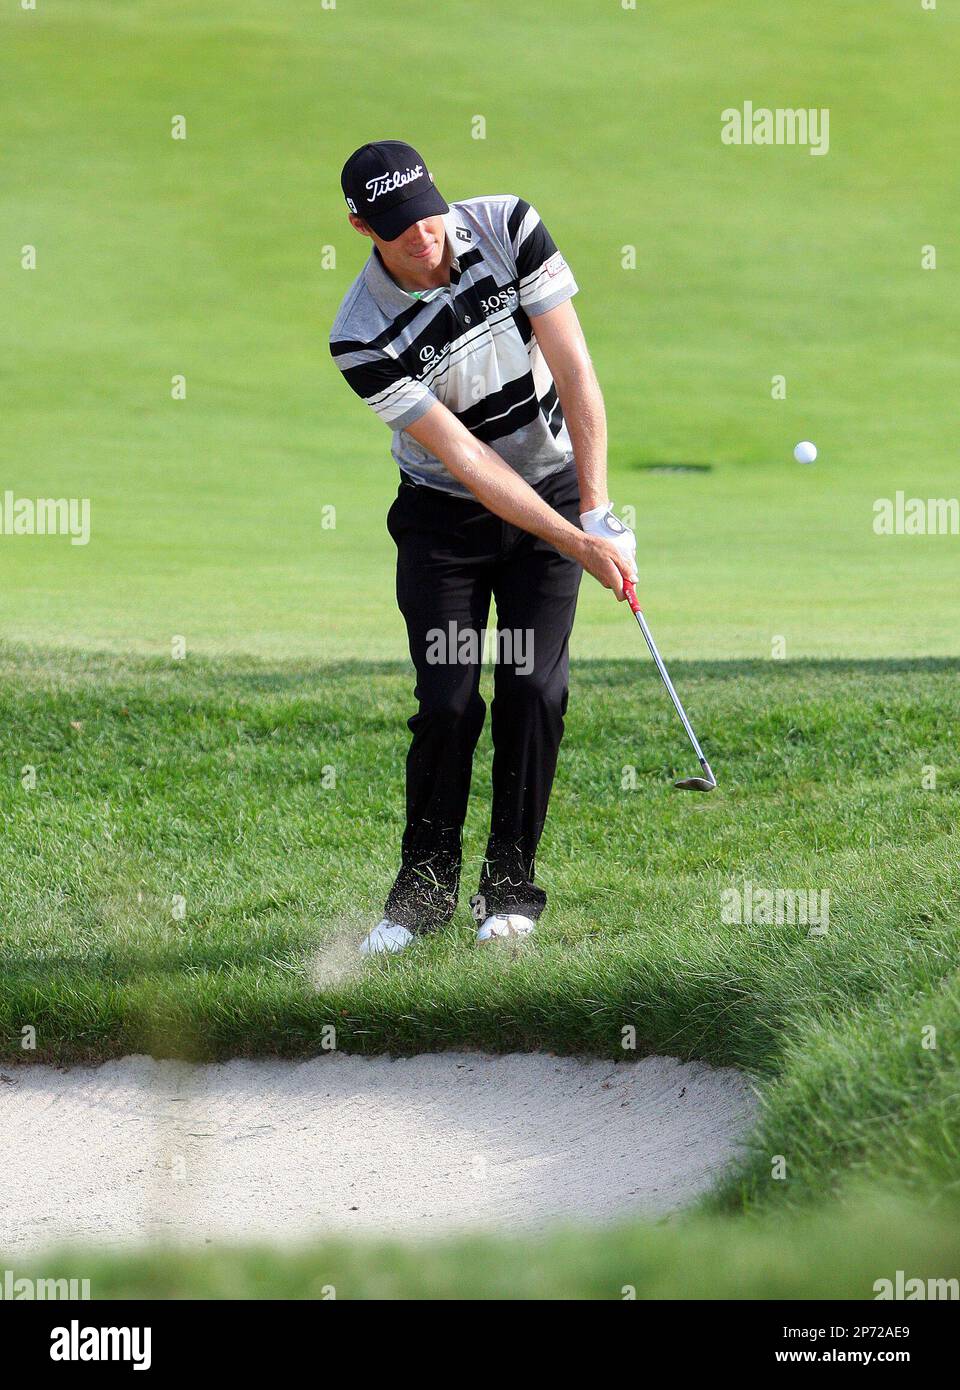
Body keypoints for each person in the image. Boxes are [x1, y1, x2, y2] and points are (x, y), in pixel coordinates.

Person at [329, 140, 636, 954]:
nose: (423, 236)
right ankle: (420, 897)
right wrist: (575, 540)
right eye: (398, 228)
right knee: (449, 702)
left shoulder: (508, 226)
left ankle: (509, 894)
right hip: (447, 520)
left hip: (559, 488)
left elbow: (574, 371)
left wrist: (596, 516)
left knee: (534, 689)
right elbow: (465, 460)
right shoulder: (360, 335)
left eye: (426, 213)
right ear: (363, 227)